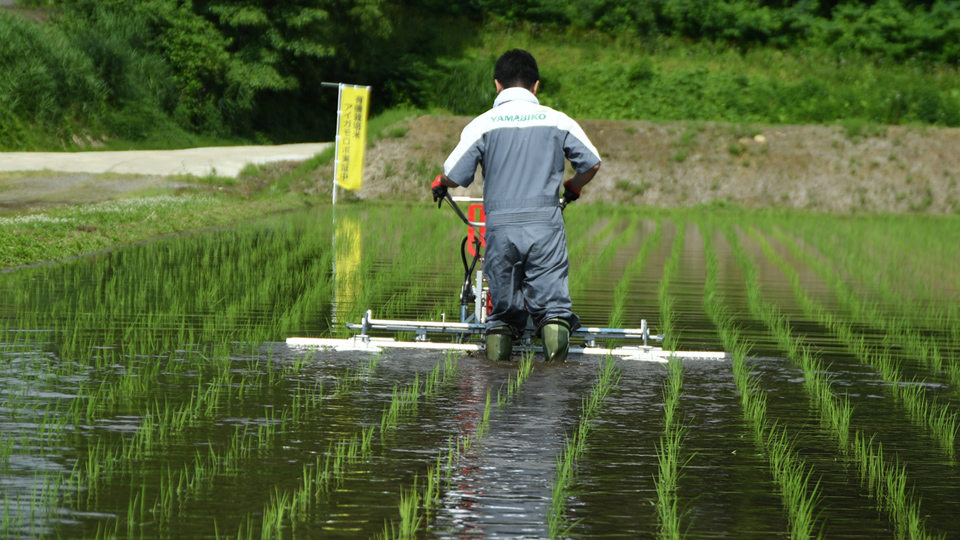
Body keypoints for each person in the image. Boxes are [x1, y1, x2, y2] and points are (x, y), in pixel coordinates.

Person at [430, 49, 601, 362]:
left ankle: (497, 386)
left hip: (501, 229)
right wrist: (573, 187)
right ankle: (553, 391)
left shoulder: (483, 124)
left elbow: (454, 174)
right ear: (536, 86)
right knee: (553, 311)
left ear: (497, 85)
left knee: (504, 314)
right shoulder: (558, 120)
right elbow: (591, 163)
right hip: (545, 228)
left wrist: (440, 183)